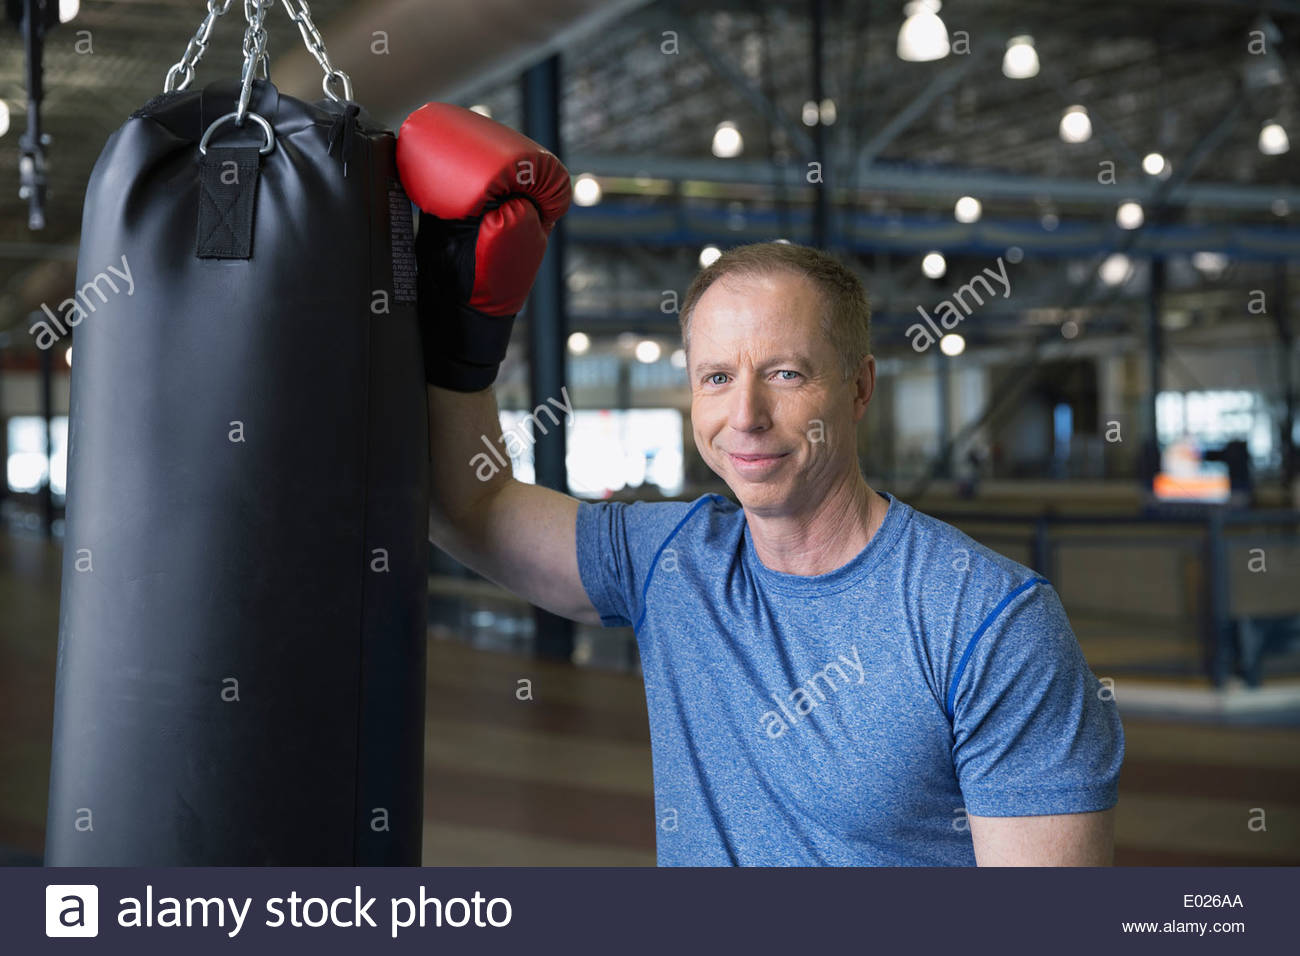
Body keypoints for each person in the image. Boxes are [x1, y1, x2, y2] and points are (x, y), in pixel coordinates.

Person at [398, 103, 1124, 867]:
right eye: (716, 377)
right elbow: (467, 504)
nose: (744, 415)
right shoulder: (671, 563)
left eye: (785, 374)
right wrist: (463, 336)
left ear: (858, 387)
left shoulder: (987, 623)